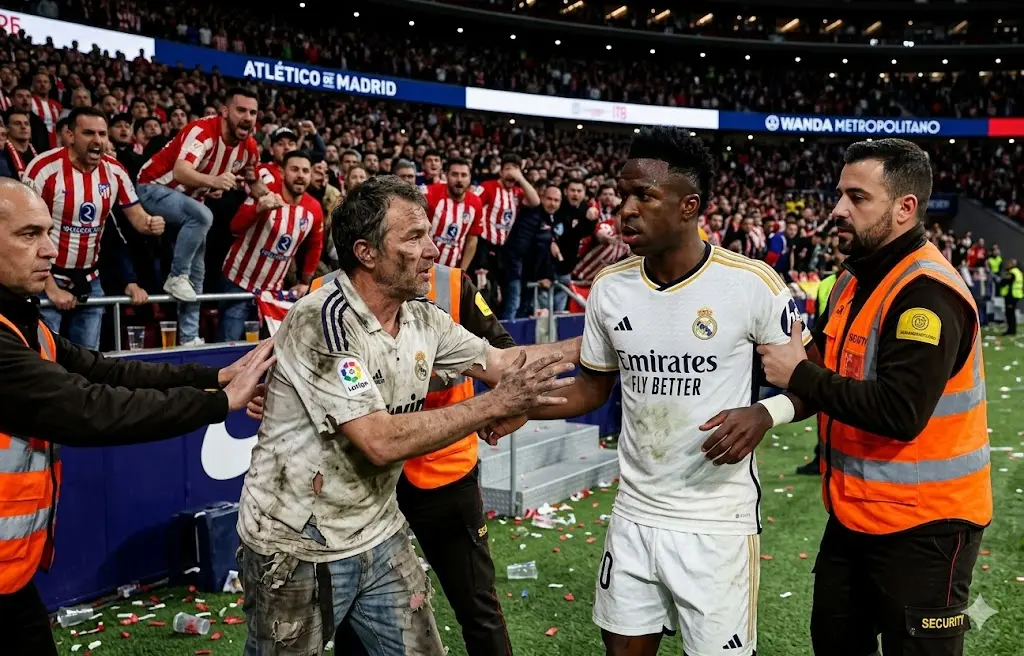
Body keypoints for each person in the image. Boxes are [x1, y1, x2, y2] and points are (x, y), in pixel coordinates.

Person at [486, 126, 812, 656]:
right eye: (623, 195)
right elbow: (592, 389)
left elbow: (811, 384)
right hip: (634, 513)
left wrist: (763, 414)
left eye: (645, 196)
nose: (626, 210)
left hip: (716, 519)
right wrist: (523, 407)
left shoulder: (753, 283)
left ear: (689, 206)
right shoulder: (610, 288)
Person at [235, 175, 577, 656]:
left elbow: (503, 362)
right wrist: (496, 404)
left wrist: (601, 341)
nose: (433, 251)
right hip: (296, 544)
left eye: (429, 235)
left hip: (378, 530)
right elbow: (380, 440)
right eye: (415, 237)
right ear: (366, 252)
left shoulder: (423, 316)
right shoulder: (322, 319)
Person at [0, 178, 273, 655]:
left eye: (49, 232)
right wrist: (218, 403)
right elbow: (89, 408)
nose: (50, 250)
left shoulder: (24, 323)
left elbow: (106, 371)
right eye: (29, 235)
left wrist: (214, 377)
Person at [757, 138, 992, 656]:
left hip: (927, 526)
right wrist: (767, 398)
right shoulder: (852, 278)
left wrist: (799, 375)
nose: (837, 209)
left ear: (905, 208)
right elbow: (821, 366)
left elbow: (899, 411)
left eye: (857, 197)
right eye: (840, 194)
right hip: (855, 515)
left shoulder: (927, 293)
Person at [23, 108, 165, 350]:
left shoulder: (115, 171)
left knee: (88, 358)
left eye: (102, 134)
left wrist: (153, 224)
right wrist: (51, 288)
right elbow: (27, 233)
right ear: (70, 136)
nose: (98, 140)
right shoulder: (43, 169)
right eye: (89, 133)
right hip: (45, 278)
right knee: (46, 359)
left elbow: (139, 219)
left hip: (90, 279)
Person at [135, 87, 267, 345]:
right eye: (241, 110)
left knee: (198, 272)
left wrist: (269, 196)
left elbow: (254, 181)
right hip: (152, 189)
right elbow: (181, 171)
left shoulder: (249, 148)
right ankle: (176, 276)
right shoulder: (203, 130)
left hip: (188, 204)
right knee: (204, 217)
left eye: (252, 113)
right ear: (225, 111)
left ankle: (189, 337)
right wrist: (213, 181)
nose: (248, 118)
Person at [219, 151, 323, 341]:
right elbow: (235, 227)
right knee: (229, 343)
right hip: (239, 280)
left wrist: (305, 281)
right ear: (282, 173)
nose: (300, 175)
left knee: (264, 348)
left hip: (271, 291)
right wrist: (259, 208)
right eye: (295, 169)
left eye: (305, 171)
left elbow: (315, 246)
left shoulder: (314, 208)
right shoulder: (265, 192)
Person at [796, 249, 847, 476]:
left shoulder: (857, 282)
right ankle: (821, 457)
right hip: (828, 354)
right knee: (823, 413)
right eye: (838, 254)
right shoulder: (829, 284)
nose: (842, 257)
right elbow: (820, 320)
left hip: (846, 358)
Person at [999, 257, 1021, 336]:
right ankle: (1012, 330)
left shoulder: (1012, 272)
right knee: (1012, 314)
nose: (1007, 265)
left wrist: (1001, 281)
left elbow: (1004, 282)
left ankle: (1010, 331)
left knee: (1010, 314)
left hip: (1011, 296)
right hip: (1015, 295)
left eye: (1008, 263)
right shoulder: (1018, 272)